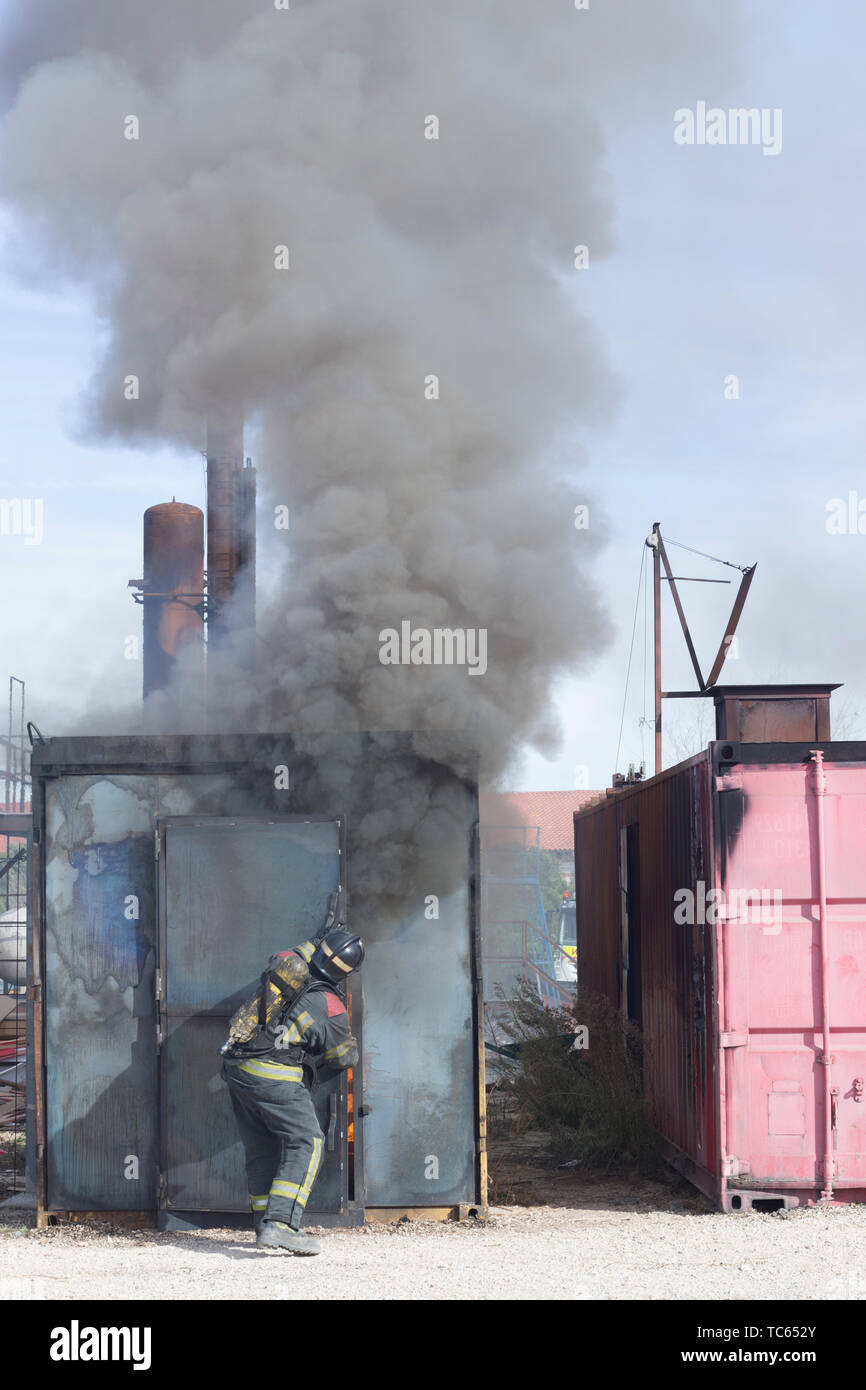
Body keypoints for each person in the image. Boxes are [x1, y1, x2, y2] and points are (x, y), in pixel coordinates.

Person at [220, 925, 364, 1255]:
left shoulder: (285, 962)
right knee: (308, 1141)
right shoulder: (331, 1006)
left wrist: (319, 940)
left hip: (237, 1067)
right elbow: (343, 1057)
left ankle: (264, 1224)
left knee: (261, 1150)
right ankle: (282, 1225)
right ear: (347, 973)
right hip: (274, 1077)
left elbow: (297, 952)